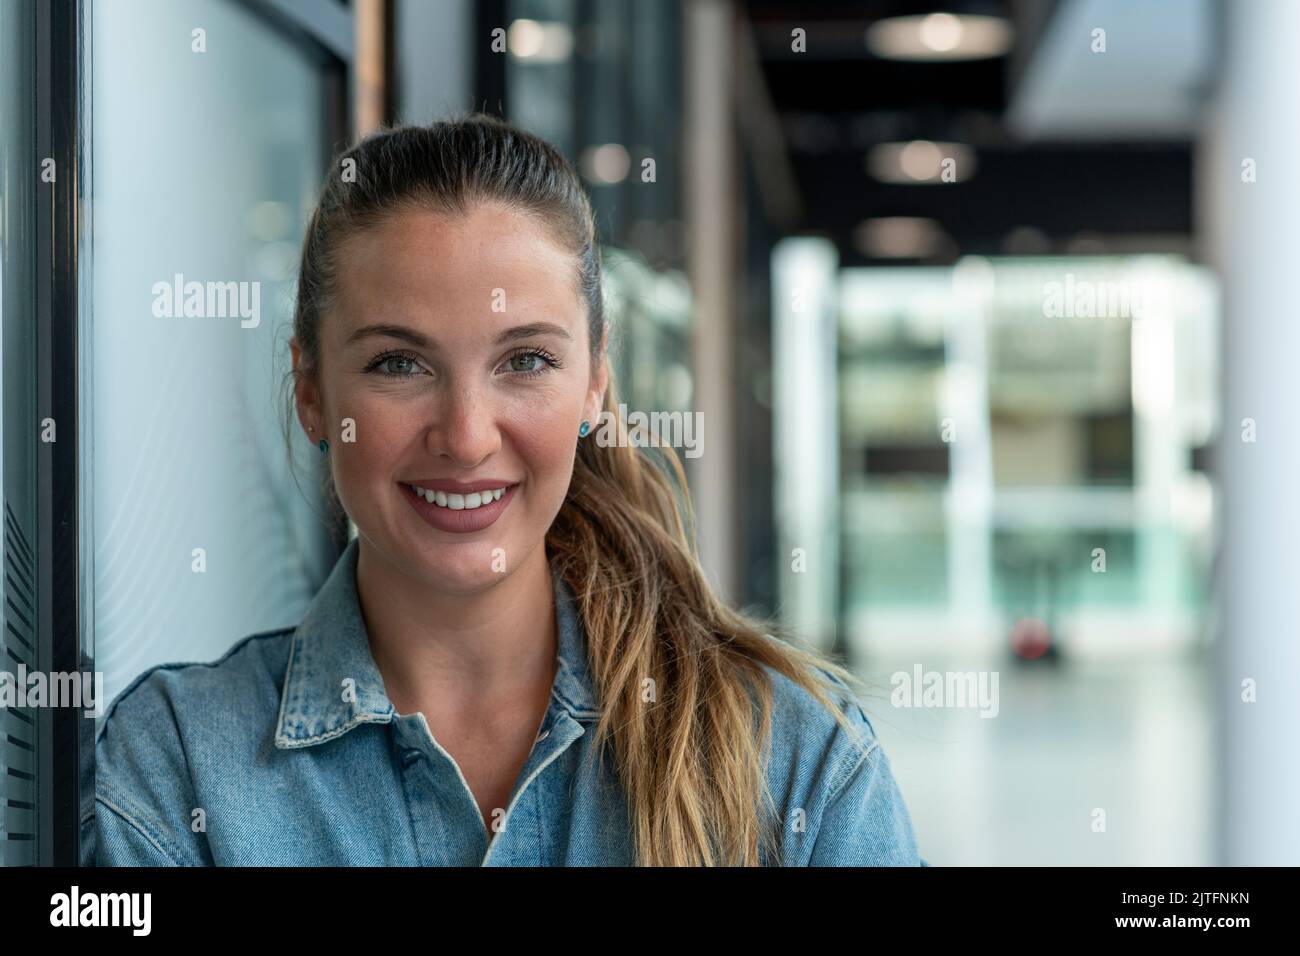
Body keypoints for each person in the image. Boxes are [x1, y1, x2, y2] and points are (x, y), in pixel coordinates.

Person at [83, 114, 926, 866]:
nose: (467, 435)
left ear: (595, 379)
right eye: (399, 364)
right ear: (311, 392)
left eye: (525, 361)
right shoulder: (179, 768)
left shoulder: (794, 764)